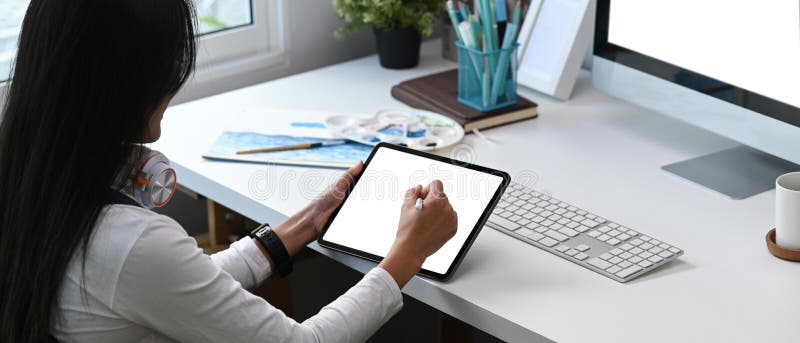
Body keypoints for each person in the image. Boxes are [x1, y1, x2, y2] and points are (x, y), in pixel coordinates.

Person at [0, 1, 459, 342]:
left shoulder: (32, 176)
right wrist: (407, 253)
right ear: (132, 81)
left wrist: (305, 223)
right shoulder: (128, 241)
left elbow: (178, 284)